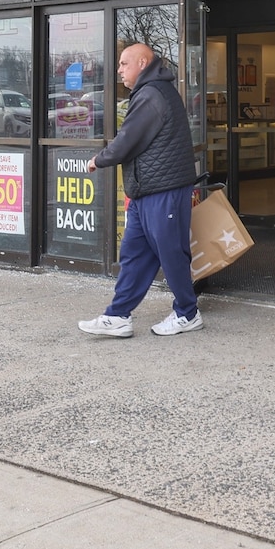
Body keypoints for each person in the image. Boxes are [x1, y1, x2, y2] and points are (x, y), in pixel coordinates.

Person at [77, 43, 203, 338]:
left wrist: (100, 159)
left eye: (123, 63)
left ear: (143, 62)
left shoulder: (152, 94)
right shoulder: (149, 92)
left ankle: (188, 313)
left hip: (164, 191)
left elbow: (128, 139)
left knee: (171, 253)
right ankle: (118, 316)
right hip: (146, 192)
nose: (119, 70)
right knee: (134, 254)